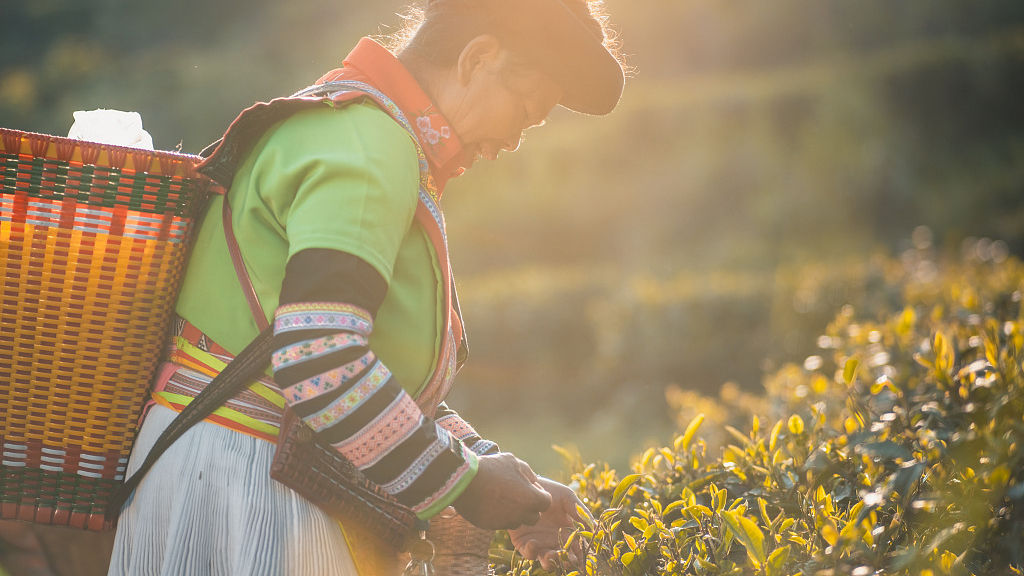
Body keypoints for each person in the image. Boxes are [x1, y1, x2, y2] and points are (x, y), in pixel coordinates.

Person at [108, 0, 625, 574]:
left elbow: (354, 360)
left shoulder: (351, 122)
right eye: (526, 111)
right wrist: (469, 485)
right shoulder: (369, 145)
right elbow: (323, 360)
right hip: (245, 487)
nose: (515, 140)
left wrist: (493, 468)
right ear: (478, 57)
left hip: (229, 469)